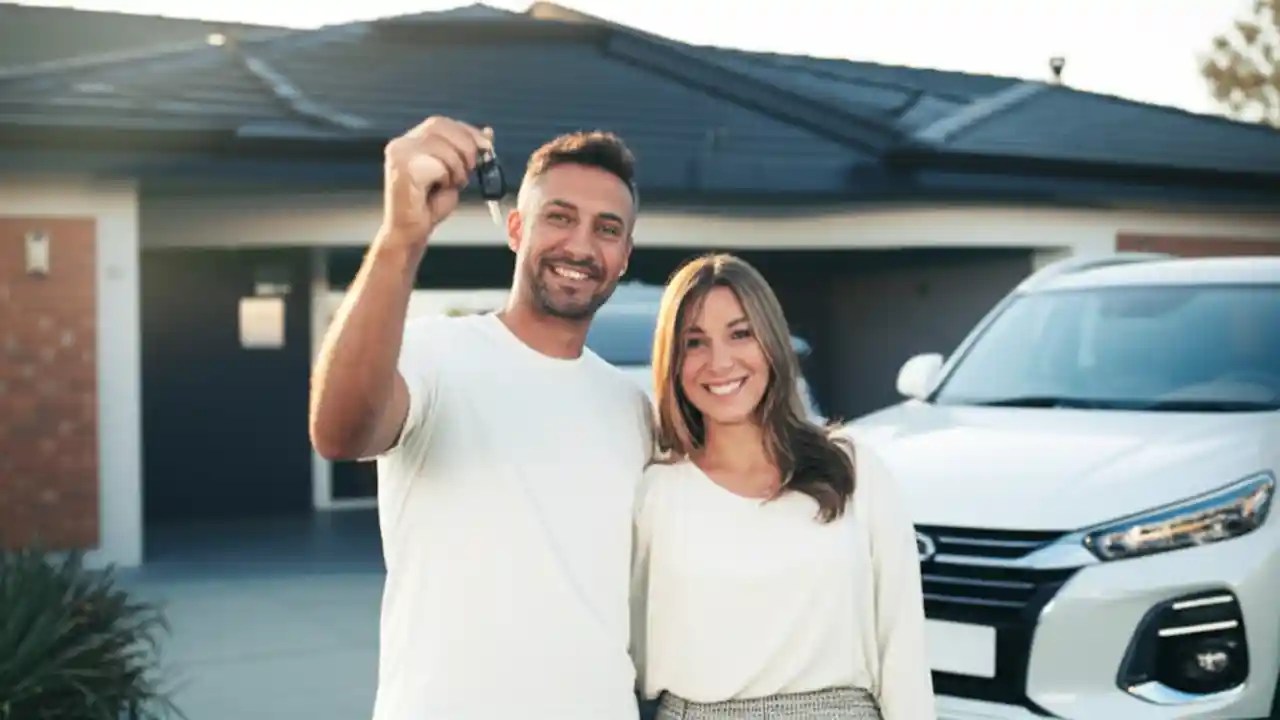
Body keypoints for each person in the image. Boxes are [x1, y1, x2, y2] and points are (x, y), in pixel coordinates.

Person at [309, 116, 654, 720]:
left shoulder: (632, 408)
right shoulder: (435, 355)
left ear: (623, 257)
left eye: (606, 229)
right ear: (516, 228)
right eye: (559, 217)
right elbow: (339, 432)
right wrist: (401, 237)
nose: (579, 245)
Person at [631, 253, 936, 719]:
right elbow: (628, 654)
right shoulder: (656, 493)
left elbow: (903, 647)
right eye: (695, 342)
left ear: (771, 342)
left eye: (740, 334)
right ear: (673, 362)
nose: (720, 361)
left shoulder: (852, 467)